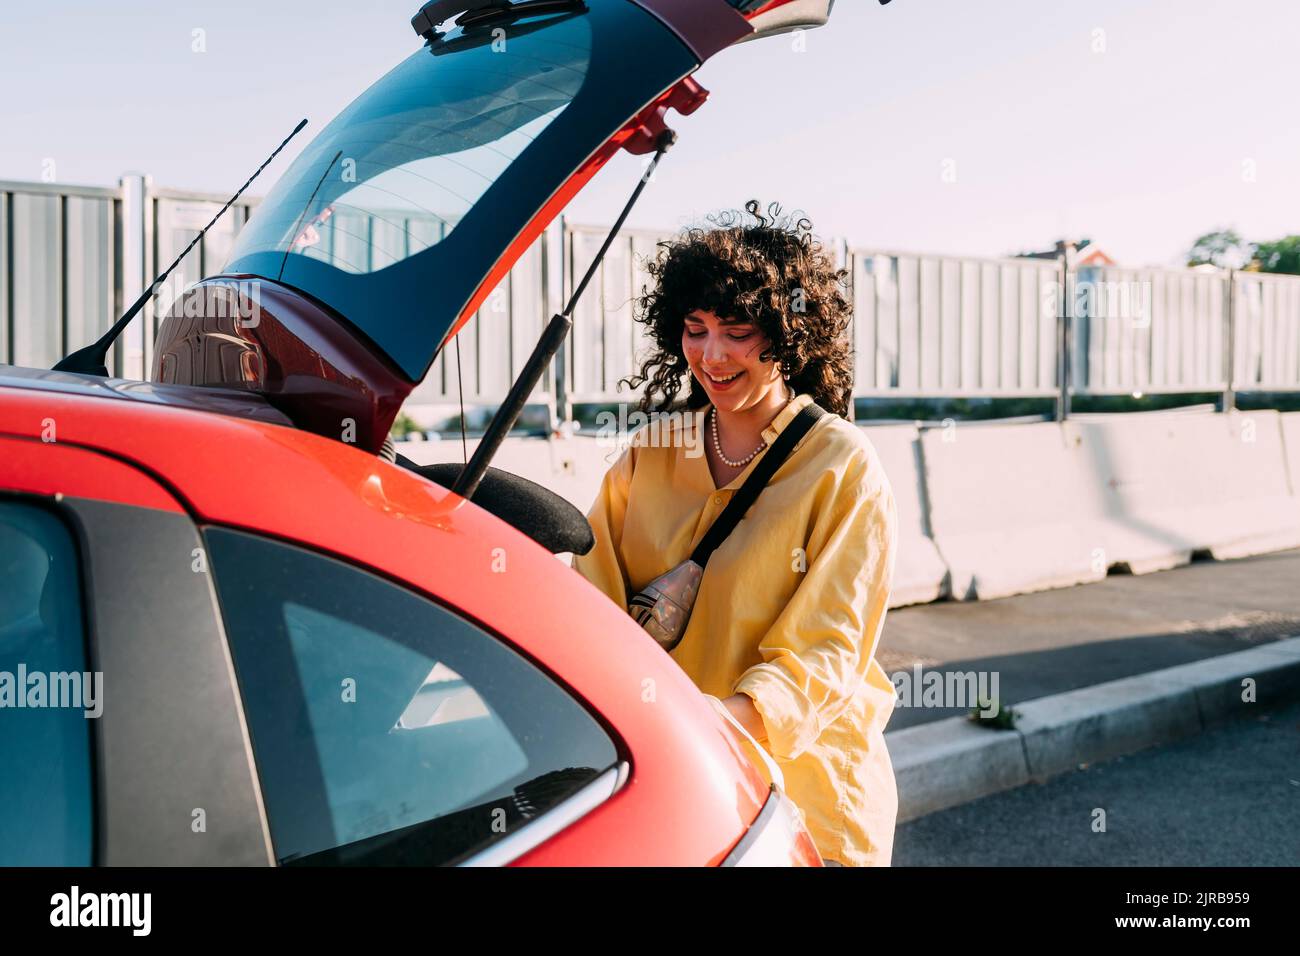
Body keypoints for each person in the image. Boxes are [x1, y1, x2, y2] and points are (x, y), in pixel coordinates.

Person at [572, 200, 900, 866]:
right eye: (695, 330)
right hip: (676, 788)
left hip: (803, 807)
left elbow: (822, 653)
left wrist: (707, 728)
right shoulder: (649, 455)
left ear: (786, 334)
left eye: (736, 331)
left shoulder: (843, 467)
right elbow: (591, 609)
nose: (711, 354)